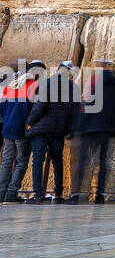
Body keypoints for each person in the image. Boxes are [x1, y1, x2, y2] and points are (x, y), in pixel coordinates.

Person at [69, 58, 115, 205]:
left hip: (88, 127)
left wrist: (77, 127)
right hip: (106, 128)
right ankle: (100, 194)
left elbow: (84, 104)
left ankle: (76, 194)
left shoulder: (93, 80)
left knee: (83, 161)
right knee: (102, 162)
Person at [27, 60, 80, 204]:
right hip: (58, 130)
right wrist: (70, 130)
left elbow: (40, 106)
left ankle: (38, 195)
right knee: (58, 161)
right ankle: (58, 194)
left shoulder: (48, 83)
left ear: (58, 69)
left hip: (42, 128)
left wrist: (29, 123)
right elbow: (75, 114)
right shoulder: (74, 88)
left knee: (38, 160)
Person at [0, 60, 42, 204]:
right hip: (22, 130)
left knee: (6, 161)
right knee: (21, 162)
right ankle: (11, 194)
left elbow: (1, 109)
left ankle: (1, 193)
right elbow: (36, 110)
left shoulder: (10, 85)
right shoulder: (34, 86)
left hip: (7, 129)